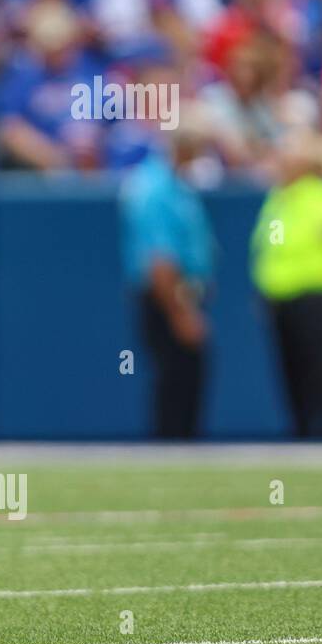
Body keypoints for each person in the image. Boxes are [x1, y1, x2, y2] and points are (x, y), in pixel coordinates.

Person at [120, 123, 217, 438]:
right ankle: (173, 450)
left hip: (178, 294)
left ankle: (179, 446)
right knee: (176, 379)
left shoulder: (173, 183)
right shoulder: (156, 188)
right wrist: (181, 312)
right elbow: (160, 261)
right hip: (169, 296)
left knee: (185, 377)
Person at [250, 130, 322, 437]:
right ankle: (303, 430)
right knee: (290, 368)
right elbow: (267, 249)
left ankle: (321, 430)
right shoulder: (278, 198)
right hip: (280, 301)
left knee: (319, 368)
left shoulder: (319, 196)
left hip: (314, 298)